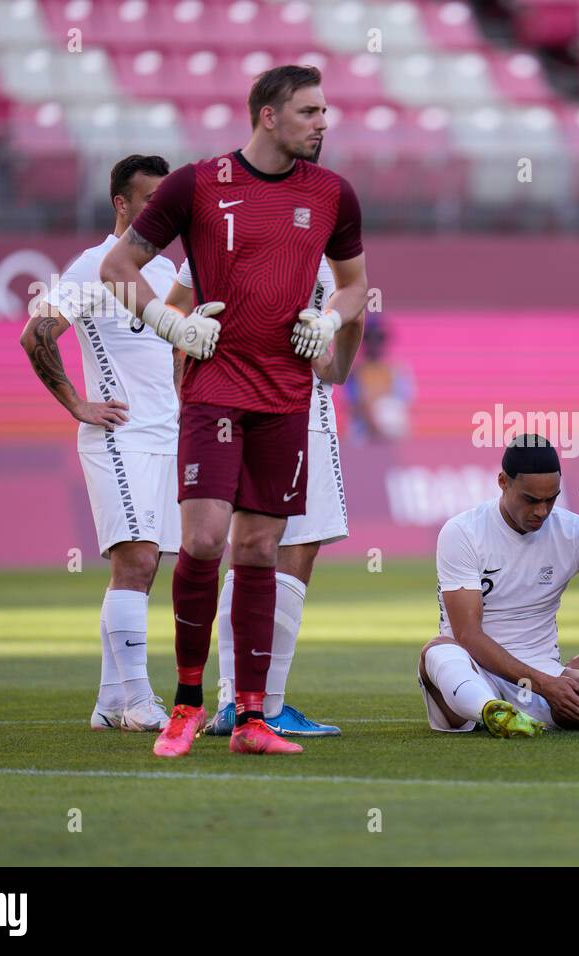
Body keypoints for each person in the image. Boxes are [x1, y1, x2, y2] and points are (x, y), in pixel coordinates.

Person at [100, 64, 368, 757]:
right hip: (216, 390)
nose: (323, 122)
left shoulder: (334, 194)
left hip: (286, 397)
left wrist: (331, 322)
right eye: (309, 111)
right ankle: (187, 702)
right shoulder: (197, 183)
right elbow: (118, 269)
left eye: (325, 110)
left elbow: (355, 284)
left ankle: (250, 719)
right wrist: (169, 323)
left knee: (257, 550)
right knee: (204, 542)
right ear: (268, 116)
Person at [20, 154, 178, 733]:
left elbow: (179, 353)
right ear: (122, 203)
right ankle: (139, 700)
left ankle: (111, 700)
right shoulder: (95, 267)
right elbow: (35, 333)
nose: (162, 209)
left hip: (167, 437)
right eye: (151, 198)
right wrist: (77, 405)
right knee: (135, 561)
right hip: (119, 436)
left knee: (146, 567)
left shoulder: (167, 273)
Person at [166, 255, 347, 739]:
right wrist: (322, 342)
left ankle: (232, 698)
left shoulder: (209, 234)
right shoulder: (313, 257)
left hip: (224, 408)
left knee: (246, 548)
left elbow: (173, 314)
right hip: (291, 412)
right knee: (283, 551)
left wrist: (185, 373)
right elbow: (333, 365)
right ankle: (261, 704)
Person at [419, 436, 579, 737]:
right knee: (438, 652)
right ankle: (490, 710)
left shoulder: (573, 533)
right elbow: (468, 634)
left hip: (543, 675)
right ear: (503, 482)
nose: (542, 512)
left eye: (552, 499)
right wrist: (544, 684)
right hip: (470, 671)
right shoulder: (463, 532)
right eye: (531, 500)